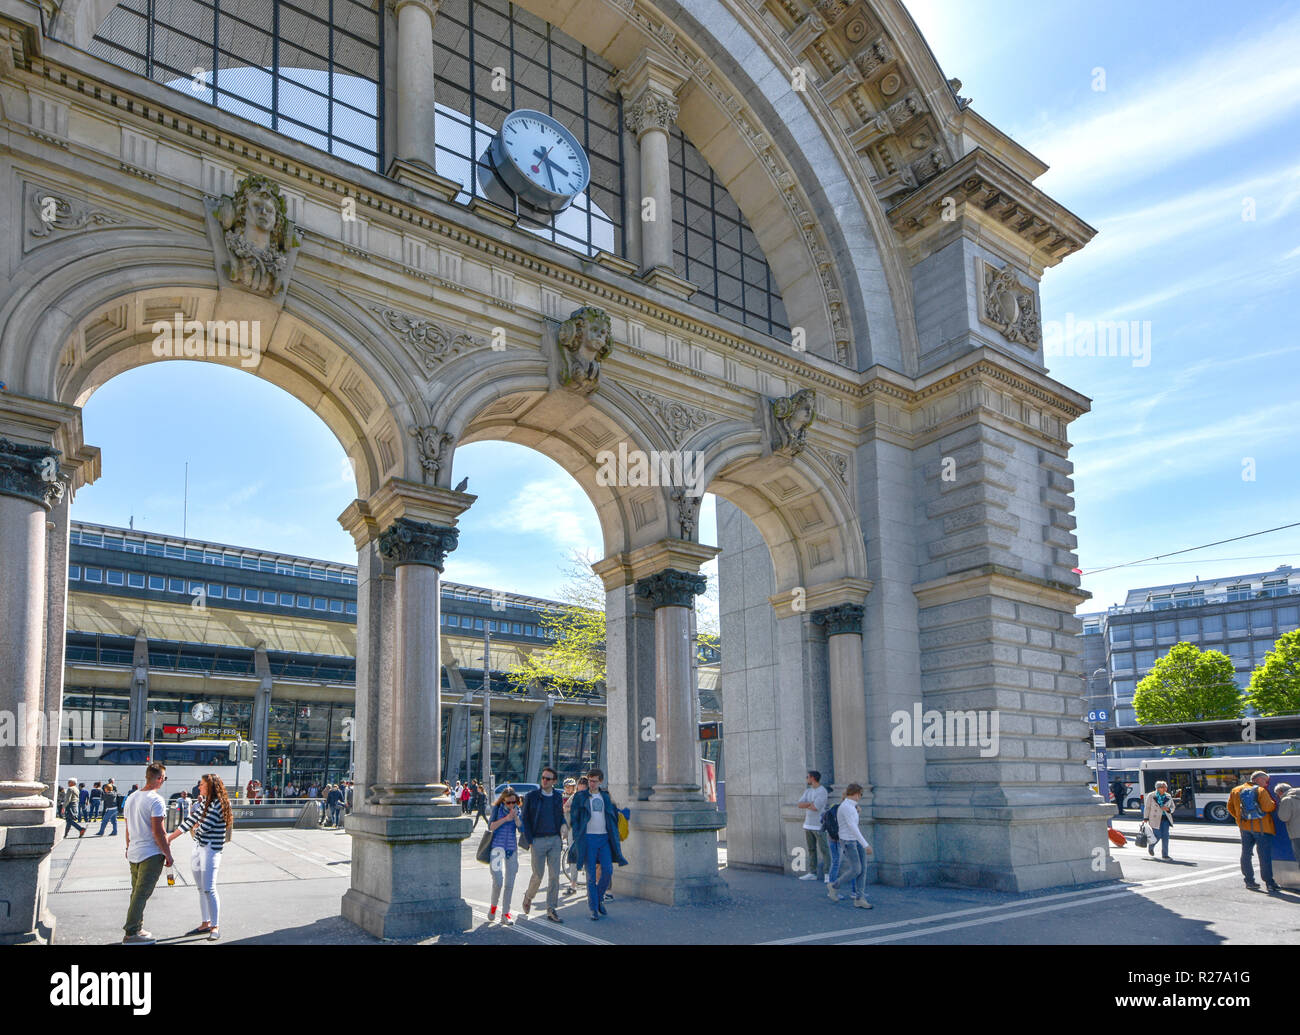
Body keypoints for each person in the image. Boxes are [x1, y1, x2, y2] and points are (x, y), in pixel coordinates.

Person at [167, 772, 233, 940]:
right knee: (200, 888)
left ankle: (215, 926)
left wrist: (196, 827)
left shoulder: (219, 804)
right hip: (198, 848)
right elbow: (190, 821)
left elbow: (206, 826)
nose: (199, 787)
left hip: (211, 849)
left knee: (209, 888)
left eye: (202, 784)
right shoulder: (205, 804)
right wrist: (169, 838)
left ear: (209, 786)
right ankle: (205, 923)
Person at [567, 768, 628, 921]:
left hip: (604, 839)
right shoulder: (580, 796)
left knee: (607, 871)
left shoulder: (605, 796)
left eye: (594, 781)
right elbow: (574, 816)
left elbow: (612, 815)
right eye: (589, 780)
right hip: (588, 840)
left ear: (601, 781)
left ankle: (599, 899)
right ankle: (593, 908)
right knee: (591, 876)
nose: (591, 784)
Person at [122, 762, 173, 943]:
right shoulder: (156, 799)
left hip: (135, 851)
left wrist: (128, 847)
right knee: (142, 893)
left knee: (136, 892)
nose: (163, 781)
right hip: (150, 852)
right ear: (159, 779)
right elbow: (158, 831)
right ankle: (131, 933)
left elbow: (127, 828)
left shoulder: (131, 797)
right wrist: (168, 853)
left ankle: (137, 926)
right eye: (164, 778)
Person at [520, 767, 566, 923]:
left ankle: (551, 909)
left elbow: (560, 817)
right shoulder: (532, 796)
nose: (544, 781)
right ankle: (528, 896)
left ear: (554, 781)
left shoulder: (558, 797)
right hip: (538, 840)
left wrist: (564, 826)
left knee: (554, 876)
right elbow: (525, 819)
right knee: (538, 875)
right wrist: (530, 840)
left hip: (554, 840)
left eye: (548, 778)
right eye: (543, 778)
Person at [1228, 770, 1279, 893]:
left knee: (1246, 854)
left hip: (1244, 828)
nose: (1266, 784)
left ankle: (1249, 881)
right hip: (1262, 828)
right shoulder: (1260, 791)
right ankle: (1269, 883)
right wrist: (1273, 804)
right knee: (1264, 855)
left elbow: (1230, 808)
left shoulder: (1236, 790)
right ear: (1257, 779)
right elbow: (1268, 807)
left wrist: (1240, 820)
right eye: (1265, 781)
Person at [827, 783, 872, 909]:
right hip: (848, 841)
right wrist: (866, 844)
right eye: (861, 794)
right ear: (857, 794)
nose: (860, 797)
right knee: (857, 869)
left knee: (862, 868)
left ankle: (860, 897)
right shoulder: (847, 807)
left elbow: (853, 826)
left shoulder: (850, 806)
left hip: (853, 840)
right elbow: (853, 827)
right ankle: (834, 885)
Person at [487, 788, 523, 925]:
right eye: (508, 803)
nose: (511, 805)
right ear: (503, 800)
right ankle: (493, 906)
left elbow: (521, 828)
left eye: (514, 802)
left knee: (510, 883)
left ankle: (505, 914)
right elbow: (491, 826)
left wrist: (516, 818)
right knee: (498, 881)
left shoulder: (517, 811)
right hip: (497, 848)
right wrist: (506, 819)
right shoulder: (497, 809)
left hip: (511, 849)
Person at [796, 770, 831, 882]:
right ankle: (812, 873)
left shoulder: (822, 791)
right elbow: (799, 804)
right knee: (811, 849)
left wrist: (809, 804)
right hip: (808, 824)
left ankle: (827, 873)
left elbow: (816, 807)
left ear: (812, 778)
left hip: (819, 826)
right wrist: (809, 804)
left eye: (807, 777)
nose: (806, 779)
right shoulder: (808, 791)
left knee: (824, 850)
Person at [1142, 780, 1176, 861]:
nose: (1165, 789)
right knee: (1157, 835)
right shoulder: (1151, 795)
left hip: (1166, 819)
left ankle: (1165, 855)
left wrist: (1168, 809)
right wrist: (1145, 818)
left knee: (1165, 837)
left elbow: (1173, 807)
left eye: (1166, 787)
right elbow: (1147, 808)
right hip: (1154, 819)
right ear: (1158, 788)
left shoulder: (1168, 796)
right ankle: (1151, 846)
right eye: (1163, 787)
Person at [1273, 782, 1300, 865]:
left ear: (1280, 792)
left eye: (1277, 795)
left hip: (1297, 834)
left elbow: (1284, 817)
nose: (1278, 797)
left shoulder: (1287, 800)